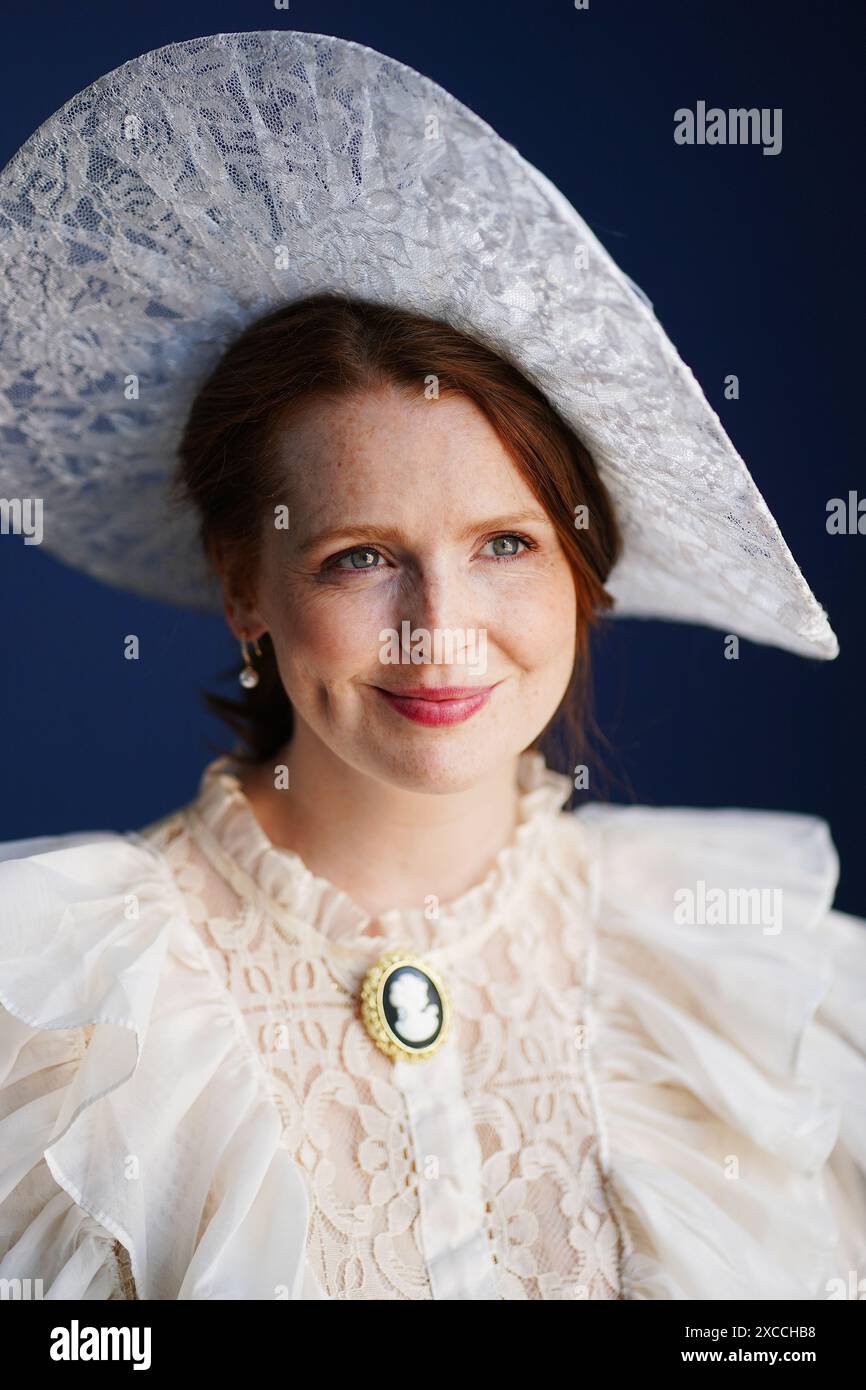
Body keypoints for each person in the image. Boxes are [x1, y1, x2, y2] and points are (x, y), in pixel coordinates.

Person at [0, 31, 863, 1302]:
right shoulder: (60, 1019)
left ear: (581, 567)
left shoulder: (766, 989)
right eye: (360, 557)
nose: (436, 627)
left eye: (505, 543)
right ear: (245, 581)